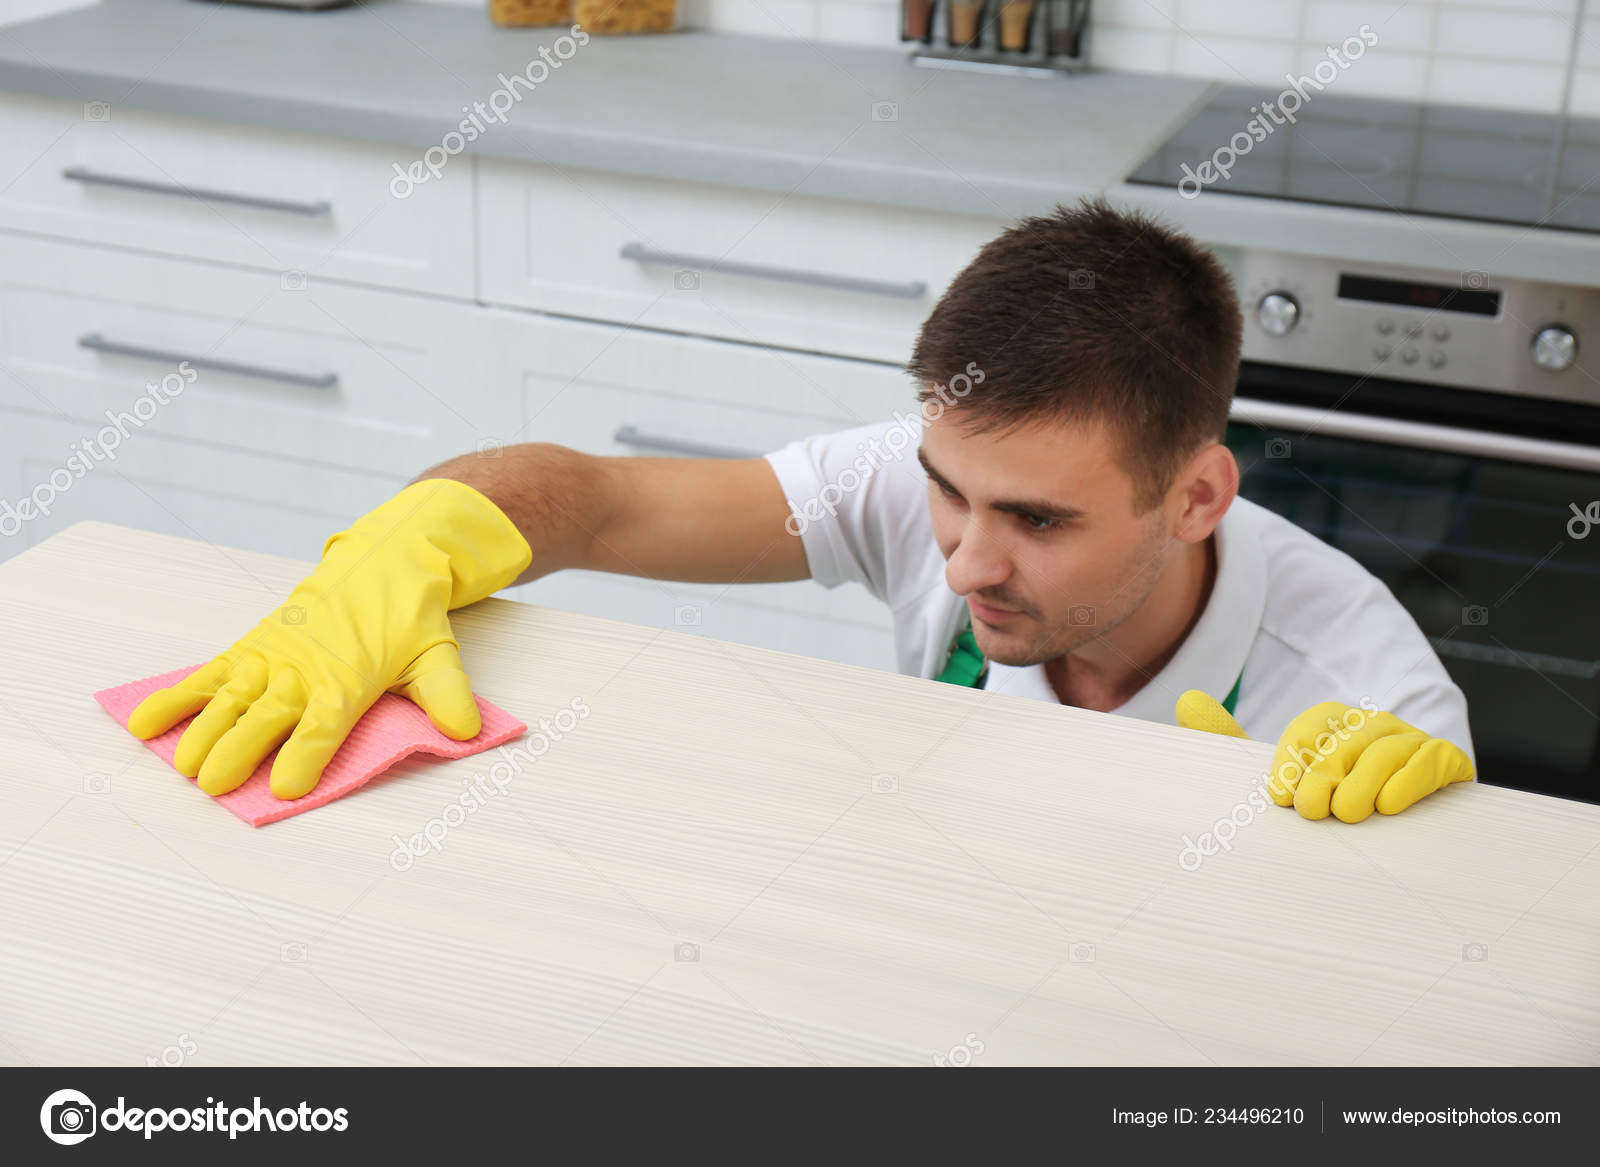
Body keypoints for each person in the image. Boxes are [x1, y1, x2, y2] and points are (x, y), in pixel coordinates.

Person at [125, 199, 1474, 823]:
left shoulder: (1370, 704)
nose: (968, 560)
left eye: (1039, 522)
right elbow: (590, 503)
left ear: (1196, 498)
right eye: (947, 490)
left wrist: (1394, 859)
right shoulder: (923, 485)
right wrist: (393, 556)